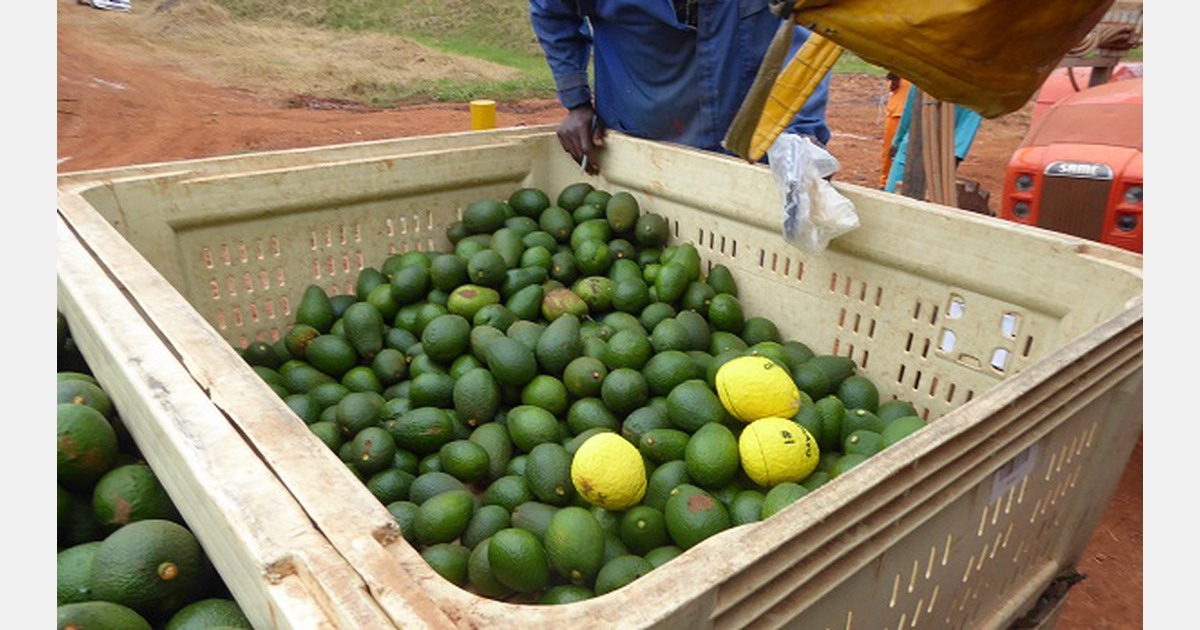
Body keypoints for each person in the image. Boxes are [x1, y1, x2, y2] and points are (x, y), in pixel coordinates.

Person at [529, 0, 832, 175]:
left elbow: (807, 24)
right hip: (642, 146)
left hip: (749, 150)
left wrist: (804, 133)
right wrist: (576, 101)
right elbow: (552, 11)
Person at [884, 85, 983, 194]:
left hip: (913, 151)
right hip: (934, 158)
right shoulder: (977, 90)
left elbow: (908, 112)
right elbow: (965, 135)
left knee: (893, 196)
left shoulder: (927, 77)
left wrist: (896, 142)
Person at [880, 73, 911, 189]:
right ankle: (887, 183)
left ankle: (887, 183)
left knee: (894, 150)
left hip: (900, 111)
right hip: (897, 112)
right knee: (891, 150)